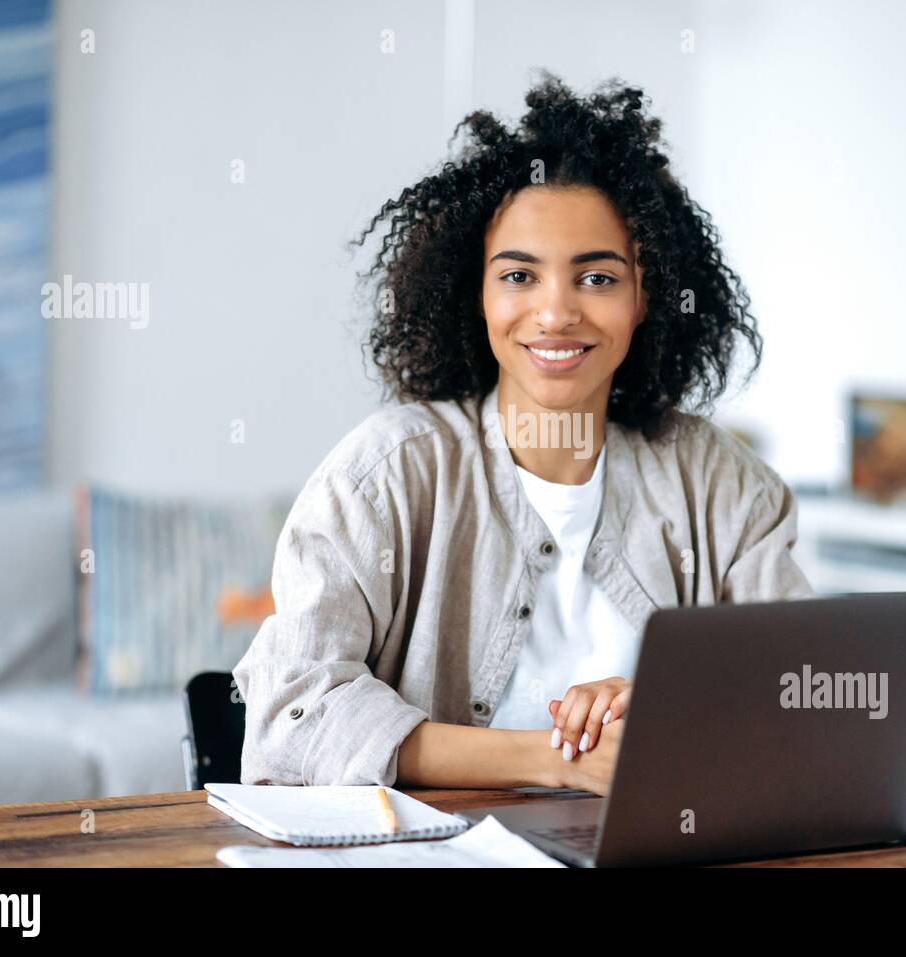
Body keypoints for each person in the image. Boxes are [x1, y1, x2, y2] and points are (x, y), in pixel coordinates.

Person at [232, 73, 814, 798]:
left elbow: (805, 695)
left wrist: (679, 709)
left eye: (597, 278)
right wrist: (552, 756)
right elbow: (291, 713)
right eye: (519, 275)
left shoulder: (722, 484)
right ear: (476, 294)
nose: (555, 312)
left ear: (645, 296)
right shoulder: (385, 474)